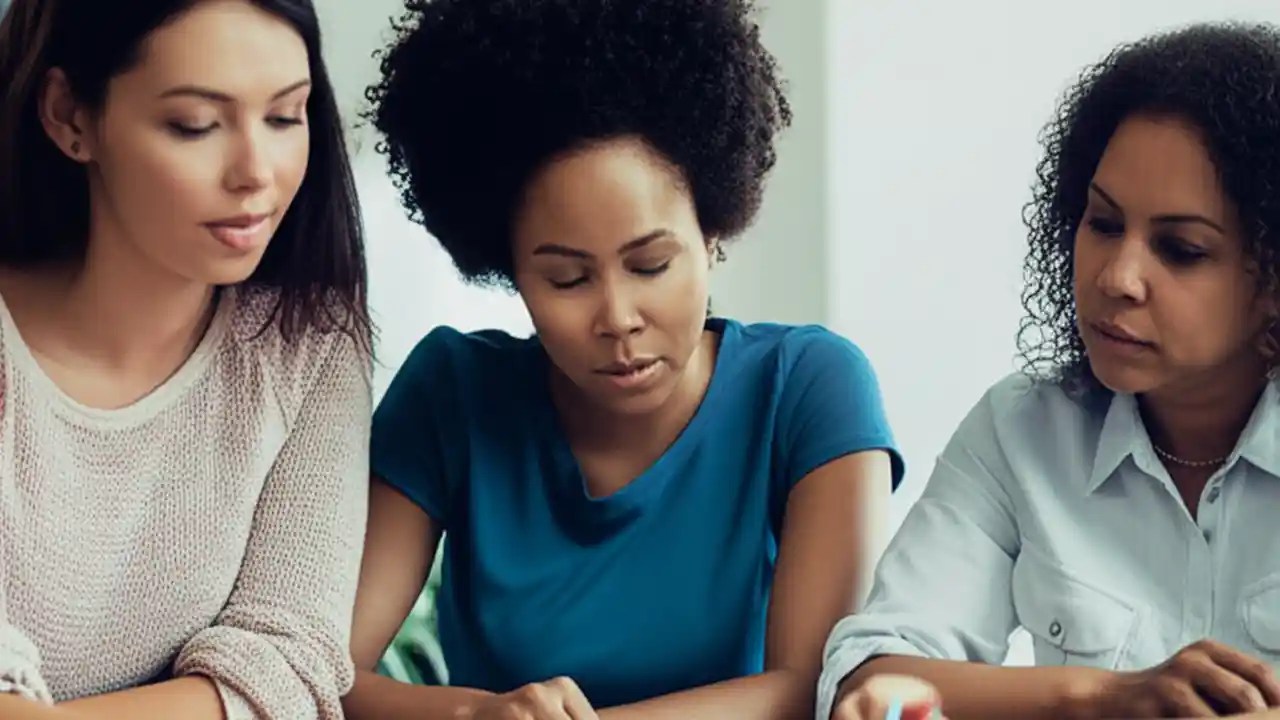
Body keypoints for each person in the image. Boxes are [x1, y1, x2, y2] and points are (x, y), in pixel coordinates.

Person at [342, 1, 905, 718]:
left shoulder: (807, 388)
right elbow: (328, 669)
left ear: (713, 232)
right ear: (508, 268)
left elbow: (809, 687)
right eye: (567, 279)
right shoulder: (451, 394)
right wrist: (477, 716)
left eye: (650, 264)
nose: (617, 319)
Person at [818, 21, 1280, 720]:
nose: (1118, 277)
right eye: (1101, 223)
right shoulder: (1020, 430)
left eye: (1181, 250)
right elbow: (868, 677)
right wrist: (1107, 694)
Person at [0, 0, 372, 718]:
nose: (255, 172)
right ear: (70, 117)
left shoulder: (312, 346)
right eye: (195, 125)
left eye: (286, 116)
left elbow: (291, 657)